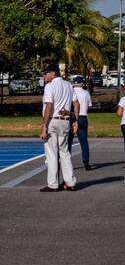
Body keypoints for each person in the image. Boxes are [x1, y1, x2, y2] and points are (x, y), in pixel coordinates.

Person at [39, 64, 76, 192]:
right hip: (65, 121)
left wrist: (44, 126)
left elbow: (49, 105)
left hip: (53, 121)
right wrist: (74, 120)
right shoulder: (68, 85)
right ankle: (70, 182)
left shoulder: (50, 86)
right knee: (65, 152)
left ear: (53, 73)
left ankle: (53, 184)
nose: (44, 75)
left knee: (52, 153)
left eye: (45, 73)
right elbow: (74, 104)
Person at [71, 76, 93, 171]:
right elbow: (89, 106)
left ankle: (67, 162)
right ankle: (86, 162)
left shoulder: (71, 92)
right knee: (84, 142)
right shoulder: (86, 93)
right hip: (83, 116)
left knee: (68, 141)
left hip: (72, 117)